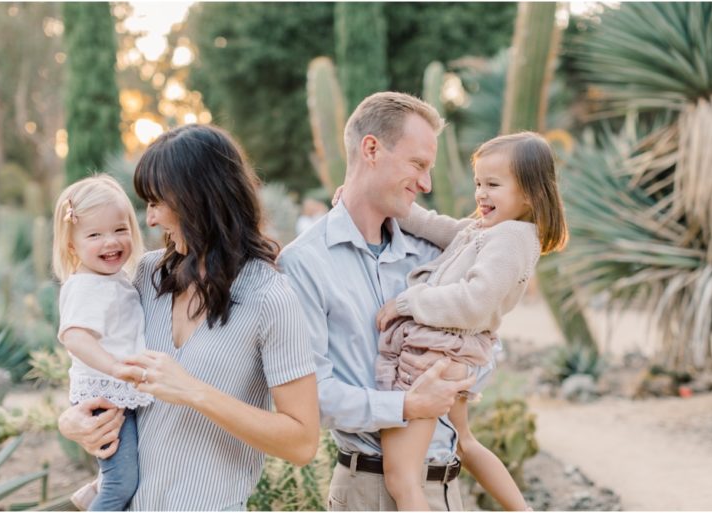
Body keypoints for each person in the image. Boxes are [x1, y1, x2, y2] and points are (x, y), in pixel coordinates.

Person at [58, 124, 319, 511]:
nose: (148, 221)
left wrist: (194, 391)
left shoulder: (271, 299)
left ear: (198, 200)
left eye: (157, 203)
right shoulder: (143, 278)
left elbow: (302, 442)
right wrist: (71, 423)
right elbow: (88, 361)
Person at [279, 91, 476, 511]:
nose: (426, 184)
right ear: (371, 149)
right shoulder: (304, 262)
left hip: (447, 491)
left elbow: (488, 348)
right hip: (367, 493)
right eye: (418, 164)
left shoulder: (432, 253)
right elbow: (311, 395)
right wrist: (407, 404)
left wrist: (456, 368)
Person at [375, 131, 568, 510]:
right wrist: (388, 200)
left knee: (401, 476)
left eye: (493, 184)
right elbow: (434, 225)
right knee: (464, 440)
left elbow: (474, 302)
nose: (481, 193)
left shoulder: (511, 240)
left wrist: (408, 302)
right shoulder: (488, 230)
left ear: (530, 194)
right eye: (479, 182)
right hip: (452, 352)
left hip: (435, 356)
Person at [53, 175, 153, 511]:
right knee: (121, 484)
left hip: (120, 389)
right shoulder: (85, 286)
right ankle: (100, 498)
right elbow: (75, 336)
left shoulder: (116, 278)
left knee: (127, 466)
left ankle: (93, 491)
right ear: (72, 246)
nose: (111, 242)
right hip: (105, 394)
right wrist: (114, 367)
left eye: (120, 230)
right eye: (95, 235)